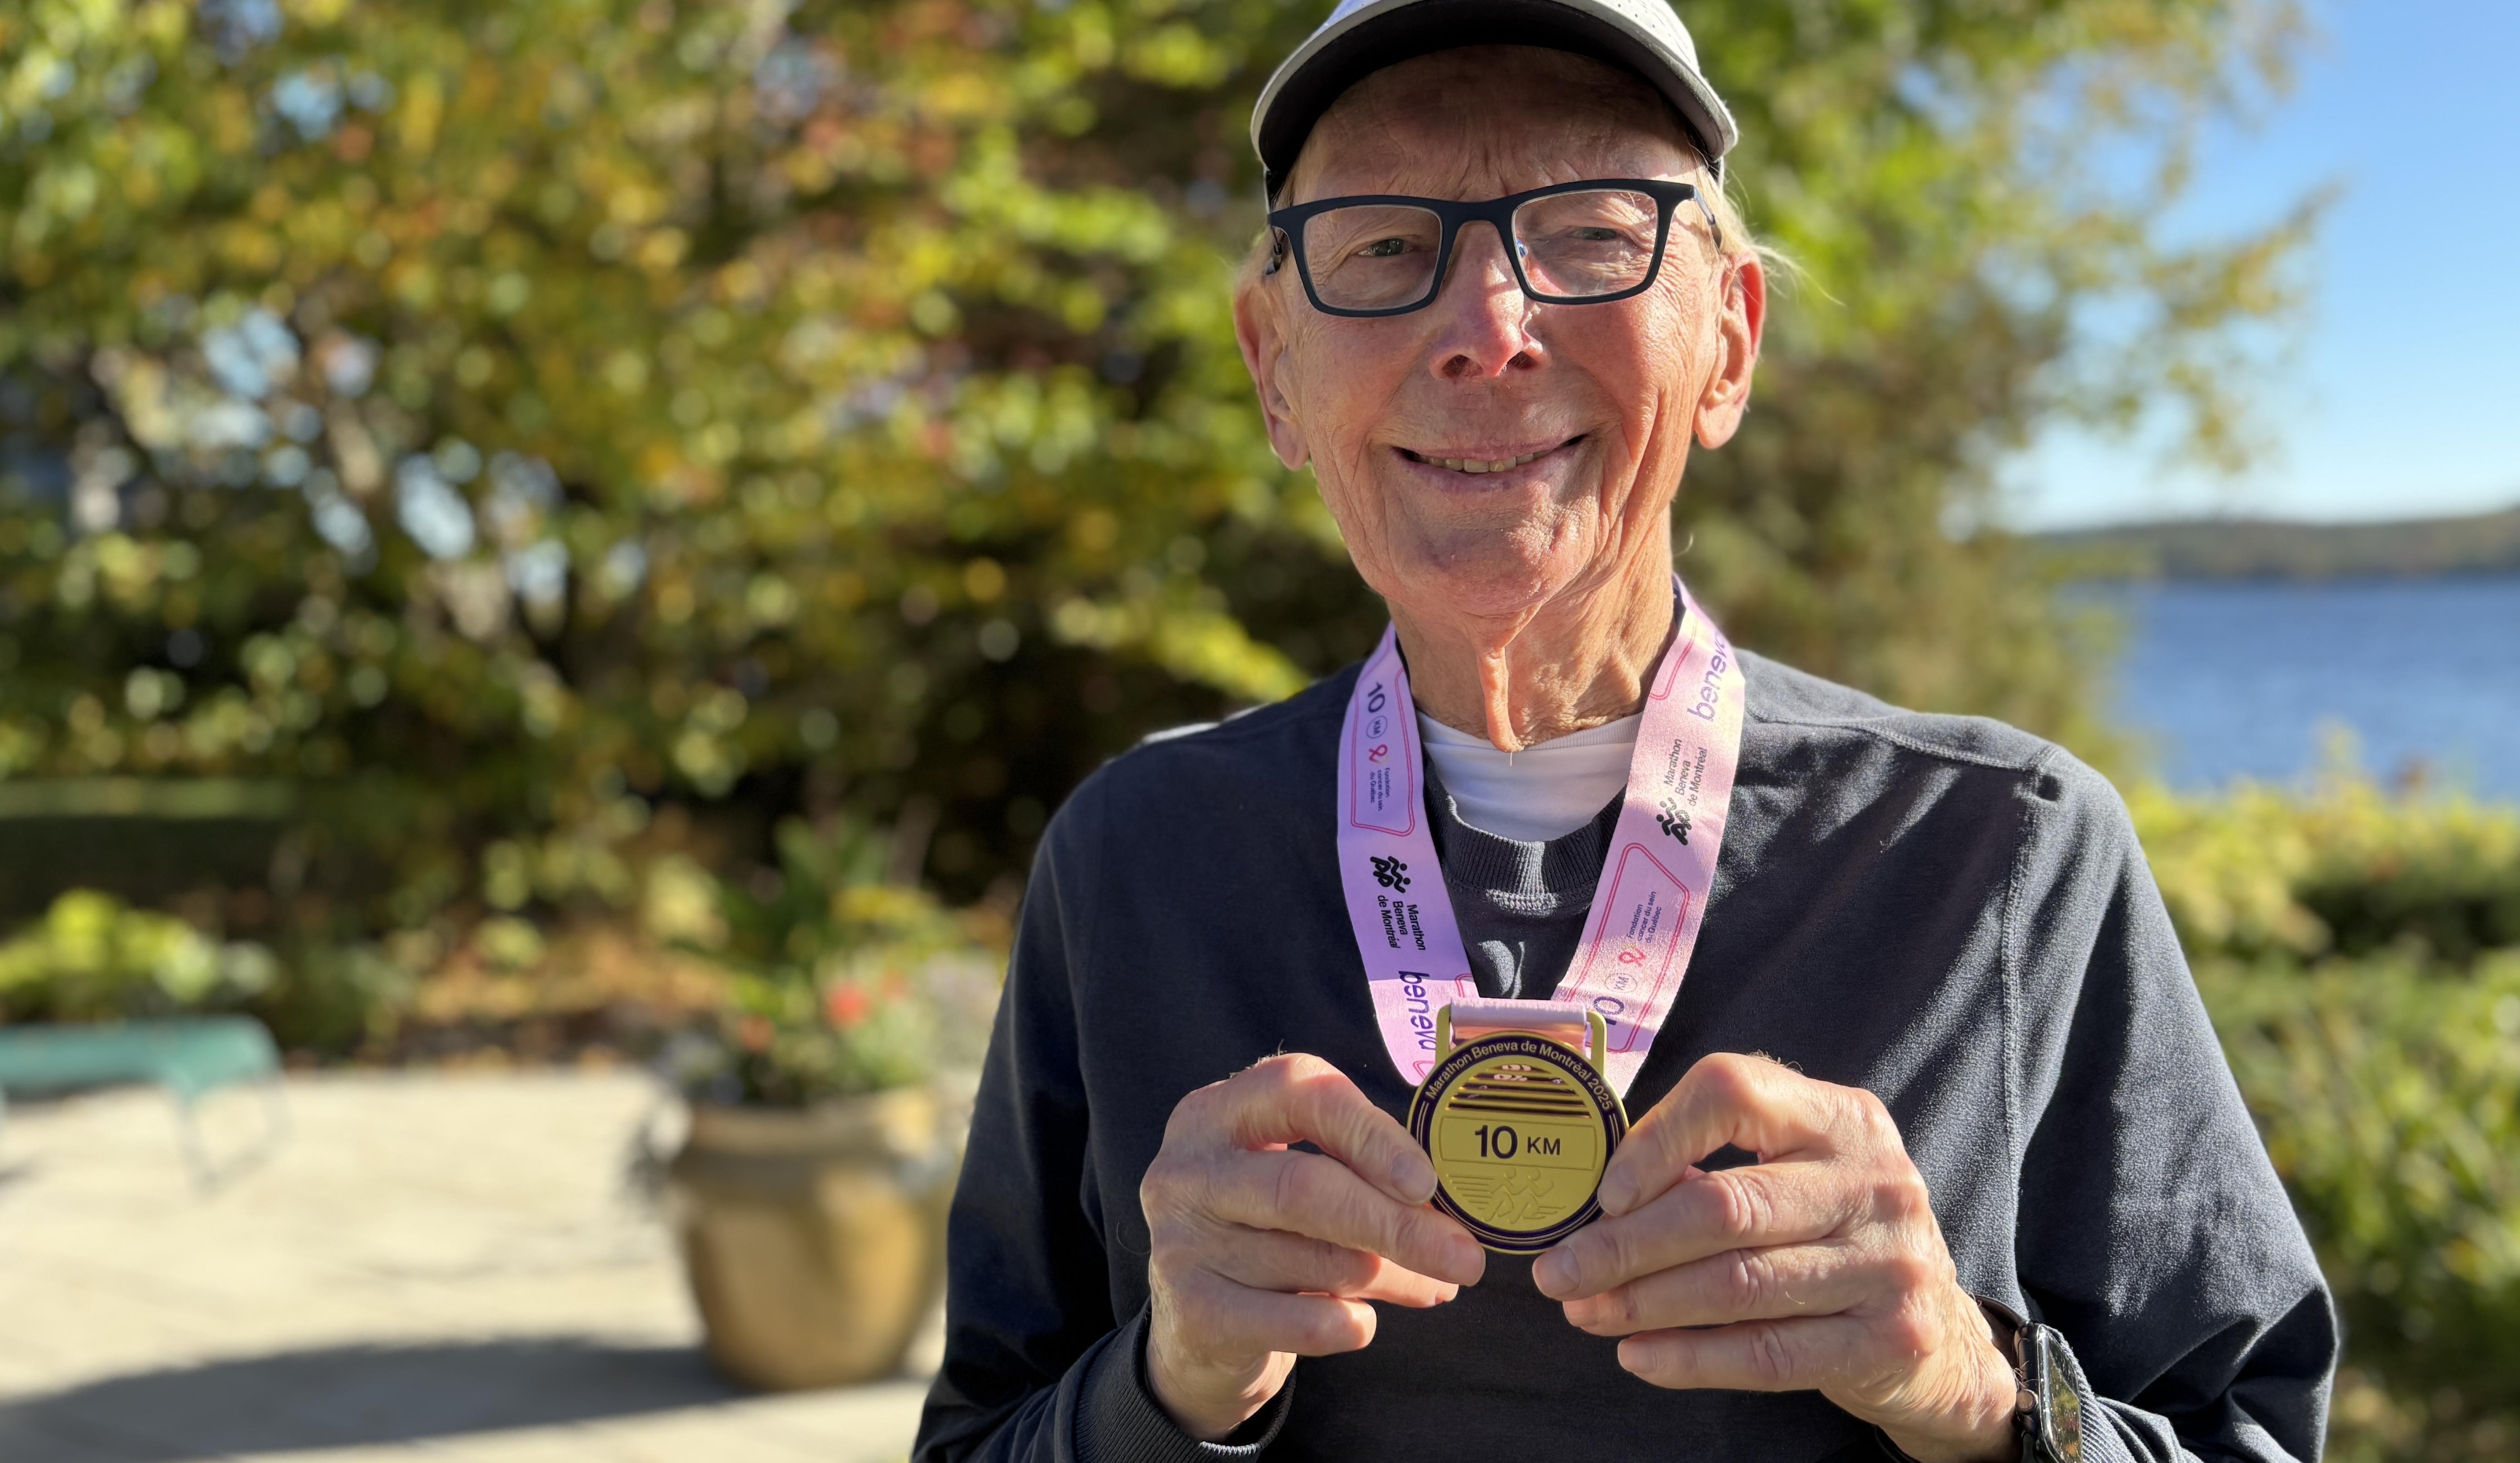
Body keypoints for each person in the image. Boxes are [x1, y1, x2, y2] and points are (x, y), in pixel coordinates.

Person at [915, 2, 2335, 1459]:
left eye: (1593, 235)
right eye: (1386, 248)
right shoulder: (1140, 858)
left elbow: (2255, 1434)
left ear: (1728, 342)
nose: (1487, 331)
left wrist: (1982, 1400)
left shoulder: (2003, 853)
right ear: (1274, 368)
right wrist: (1162, 1390)